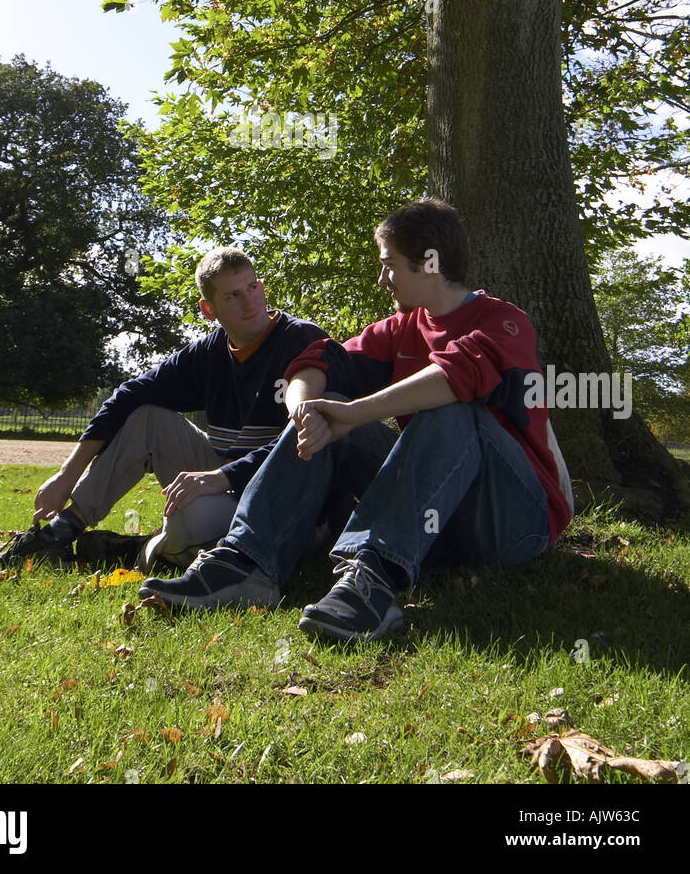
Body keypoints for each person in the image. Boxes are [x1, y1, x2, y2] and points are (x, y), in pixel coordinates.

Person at [139, 200, 574, 641]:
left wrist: (352, 413)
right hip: (440, 524)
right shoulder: (401, 327)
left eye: (389, 266)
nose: (382, 278)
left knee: (453, 409)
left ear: (428, 263)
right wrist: (307, 409)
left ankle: (372, 580)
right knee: (325, 403)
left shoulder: (504, 321)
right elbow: (320, 359)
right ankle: (244, 564)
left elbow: (455, 376)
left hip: (513, 523)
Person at [0, 247, 336, 576]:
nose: (250, 302)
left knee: (190, 518)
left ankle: (138, 549)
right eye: (233, 295)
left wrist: (220, 476)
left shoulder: (301, 339)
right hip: (225, 479)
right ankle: (60, 531)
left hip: (282, 497)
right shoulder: (209, 352)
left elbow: (309, 442)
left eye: (253, 287)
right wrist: (67, 475)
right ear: (209, 310)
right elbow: (128, 394)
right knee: (146, 416)